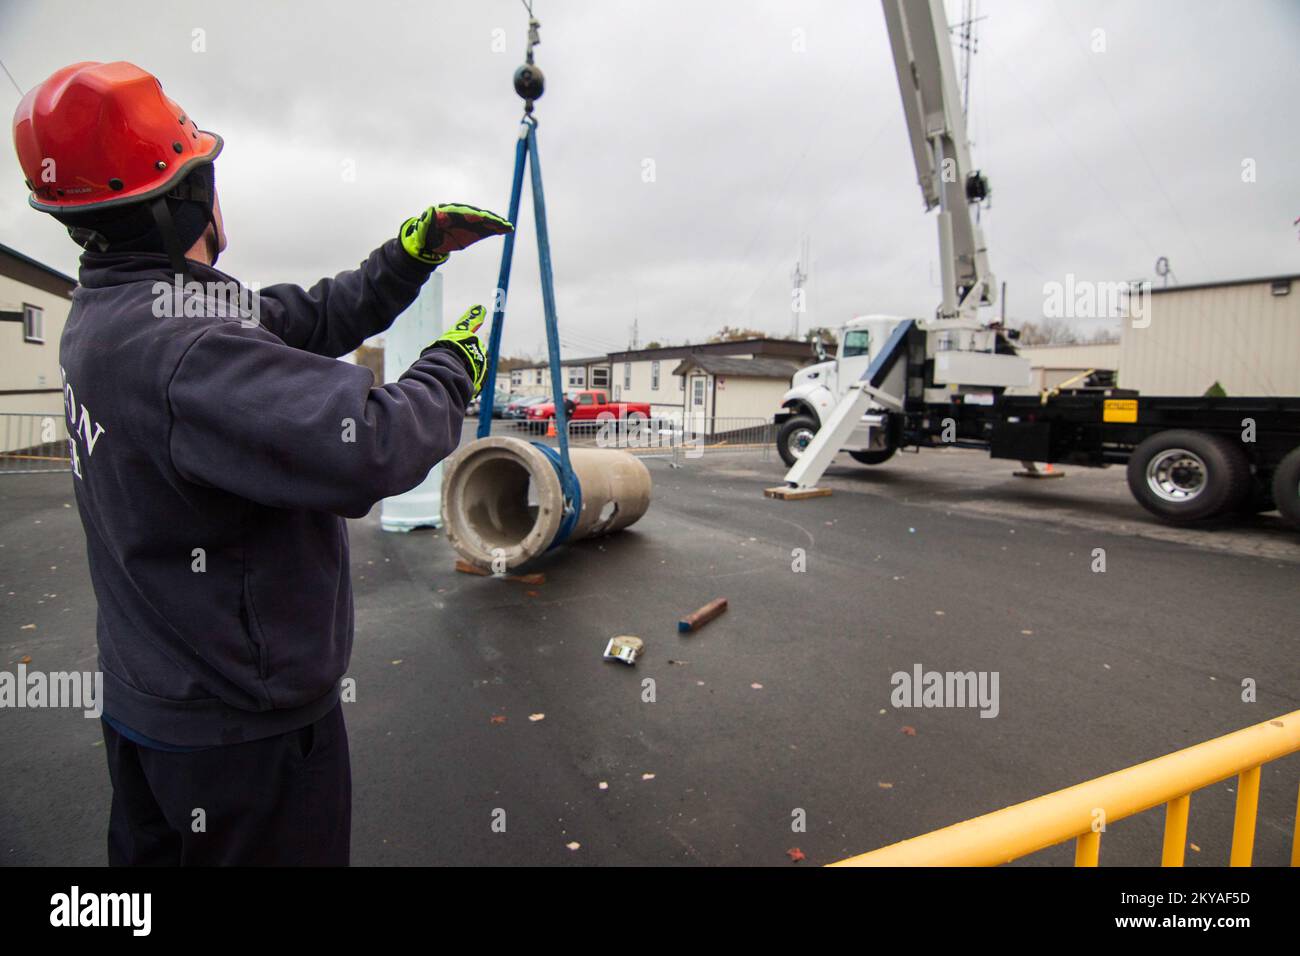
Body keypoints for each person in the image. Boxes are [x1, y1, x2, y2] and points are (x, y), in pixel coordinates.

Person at [11, 60, 513, 865]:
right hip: (241, 737)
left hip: (155, 704)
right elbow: (373, 444)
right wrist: (454, 364)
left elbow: (300, 317)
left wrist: (408, 258)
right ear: (187, 199)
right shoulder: (185, 349)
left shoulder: (115, 311)